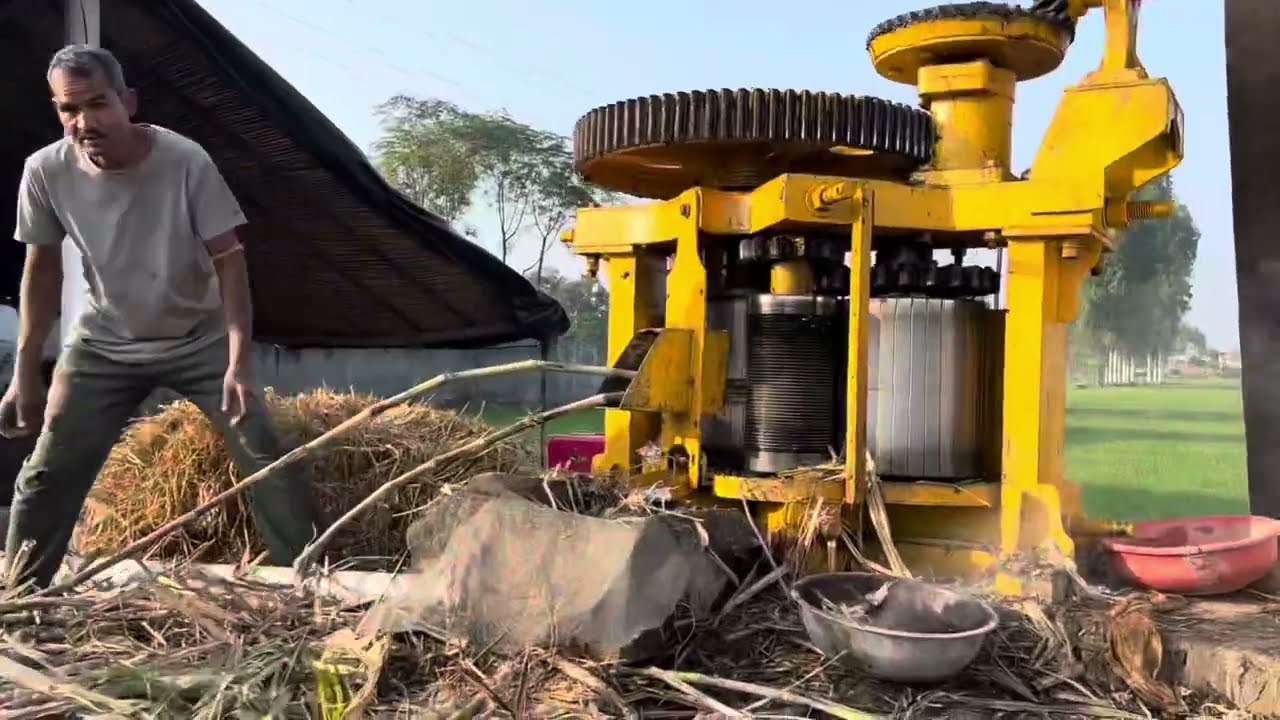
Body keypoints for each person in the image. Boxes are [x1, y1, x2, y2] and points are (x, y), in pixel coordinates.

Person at [0, 44, 322, 590]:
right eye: (67, 110)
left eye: (97, 104)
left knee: (262, 447)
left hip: (198, 336)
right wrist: (26, 372)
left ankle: (311, 583)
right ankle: (19, 596)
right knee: (48, 469)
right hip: (104, 342)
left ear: (127, 101)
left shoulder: (184, 160)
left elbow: (231, 262)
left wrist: (239, 363)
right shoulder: (45, 172)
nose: (84, 122)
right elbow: (42, 271)